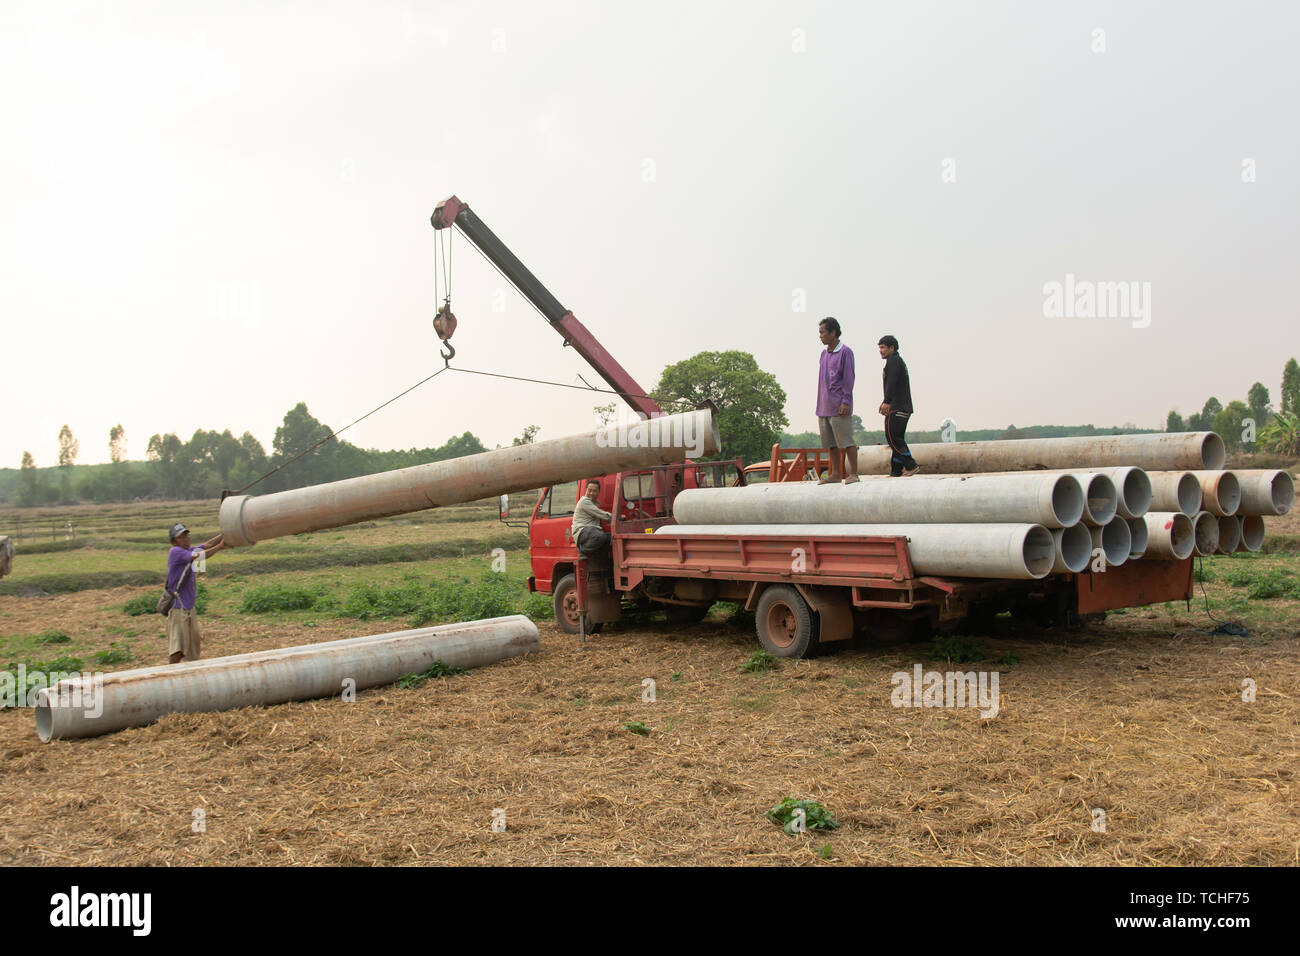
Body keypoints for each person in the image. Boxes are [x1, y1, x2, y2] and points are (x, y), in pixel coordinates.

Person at [165, 523, 226, 664]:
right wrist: (220, 547)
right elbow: (200, 555)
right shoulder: (176, 552)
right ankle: (170, 675)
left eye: (187, 535)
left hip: (187, 607)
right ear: (175, 541)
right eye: (182, 537)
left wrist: (226, 534)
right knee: (177, 648)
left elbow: (207, 544)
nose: (186, 539)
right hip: (178, 608)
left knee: (190, 647)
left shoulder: (187, 551)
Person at [816, 317, 858, 483]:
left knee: (846, 441)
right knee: (830, 444)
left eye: (822, 332)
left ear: (833, 332)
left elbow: (849, 378)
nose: (820, 336)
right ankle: (835, 474)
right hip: (823, 405)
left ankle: (854, 473)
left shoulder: (845, 352)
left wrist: (845, 401)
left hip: (839, 404)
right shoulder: (823, 354)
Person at [878, 335, 920, 477]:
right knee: (896, 437)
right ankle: (896, 470)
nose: (881, 351)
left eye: (883, 347)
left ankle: (911, 464)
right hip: (902, 406)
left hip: (898, 407)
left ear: (892, 348)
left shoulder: (893, 361)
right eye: (880, 348)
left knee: (892, 438)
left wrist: (887, 401)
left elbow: (893, 382)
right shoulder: (895, 361)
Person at [571, 480, 612, 559]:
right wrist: (617, 517)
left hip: (592, 531)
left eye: (594, 491)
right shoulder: (584, 502)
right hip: (583, 531)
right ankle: (582, 551)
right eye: (589, 490)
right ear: (585, 490)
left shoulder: (595, 503)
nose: (591, 493)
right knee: (600, 536)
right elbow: (602, 514)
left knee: (611, 538)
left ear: (598, 492)